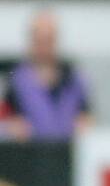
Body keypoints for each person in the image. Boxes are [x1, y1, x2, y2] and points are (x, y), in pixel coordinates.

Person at [3, 11, 93, 141]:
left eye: (48, 39)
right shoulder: (16, 80)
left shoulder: (73, 78)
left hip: (67, 150)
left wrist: (84, 125)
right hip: (29, 152)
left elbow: (87, 114)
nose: (44, 47)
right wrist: (10, 128)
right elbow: (6, 117)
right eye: (39, 40)